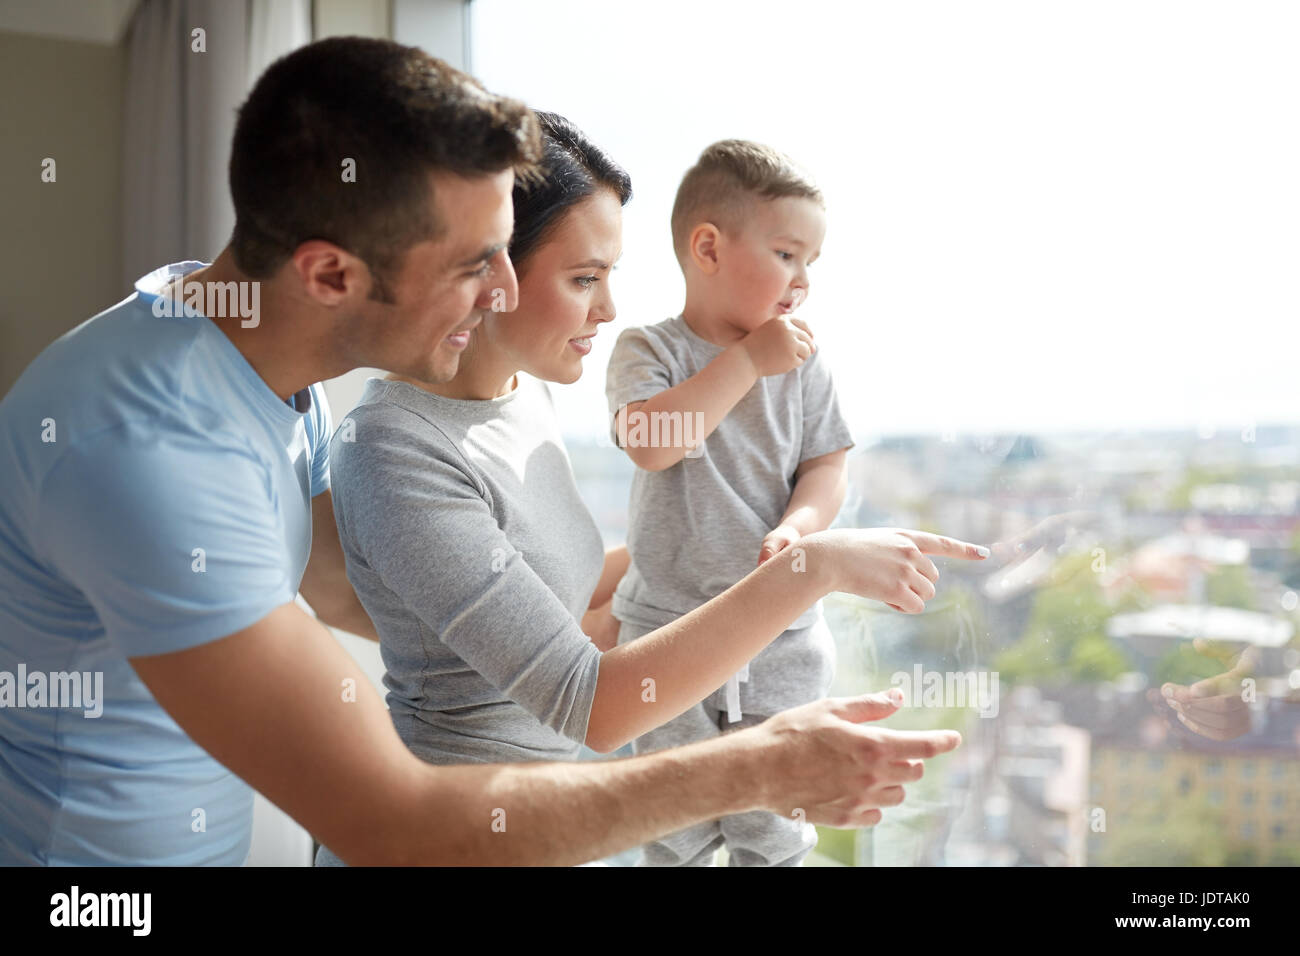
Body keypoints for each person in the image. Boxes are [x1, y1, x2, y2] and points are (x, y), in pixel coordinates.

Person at [0, 37, 964, 867]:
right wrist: (761, 759)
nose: (507, 289)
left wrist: (715, 564)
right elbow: (391, 820)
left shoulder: (240, 354)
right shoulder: (152, 452)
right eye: (476, 265)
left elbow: (350, 587)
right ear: (330, 273)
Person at [313, 114, 988, 867]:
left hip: (556, 824)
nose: (607, 309)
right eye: (583, 279)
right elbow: (594, 706)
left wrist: (718, 550)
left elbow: (548, 597)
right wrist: (816, 567)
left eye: (609, 277)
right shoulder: (394, 449)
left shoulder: (518, 399)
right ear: (488, 273)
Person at [602, 140, 853, 865]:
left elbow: (828, 465)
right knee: (671, 827)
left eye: (810, 263)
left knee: (773, 825)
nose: (802, 279)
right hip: (667, 636)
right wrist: (745, 361)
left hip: (780, 637)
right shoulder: (648, 350)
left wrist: (800, 526)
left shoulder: (806, 366)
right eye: (786, 254)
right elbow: (652, 441)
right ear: (707, 247)